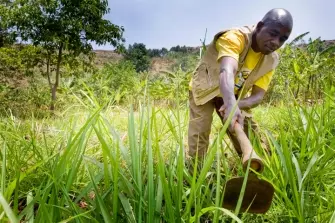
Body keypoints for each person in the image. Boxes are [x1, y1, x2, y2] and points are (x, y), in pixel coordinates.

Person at [187, 8, 293, 163]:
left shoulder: (271, 60)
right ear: (259, 26)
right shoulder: (235, 37)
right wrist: (230, 103)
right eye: (272, 33)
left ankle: (255, 165)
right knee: (200, 132)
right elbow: (227, 70)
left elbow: (258, 96)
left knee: (249, 132)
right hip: (205, 89)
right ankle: (195, 173)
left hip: (234, 95)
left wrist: (236, 104)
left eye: (282, 39)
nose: (276, 42)